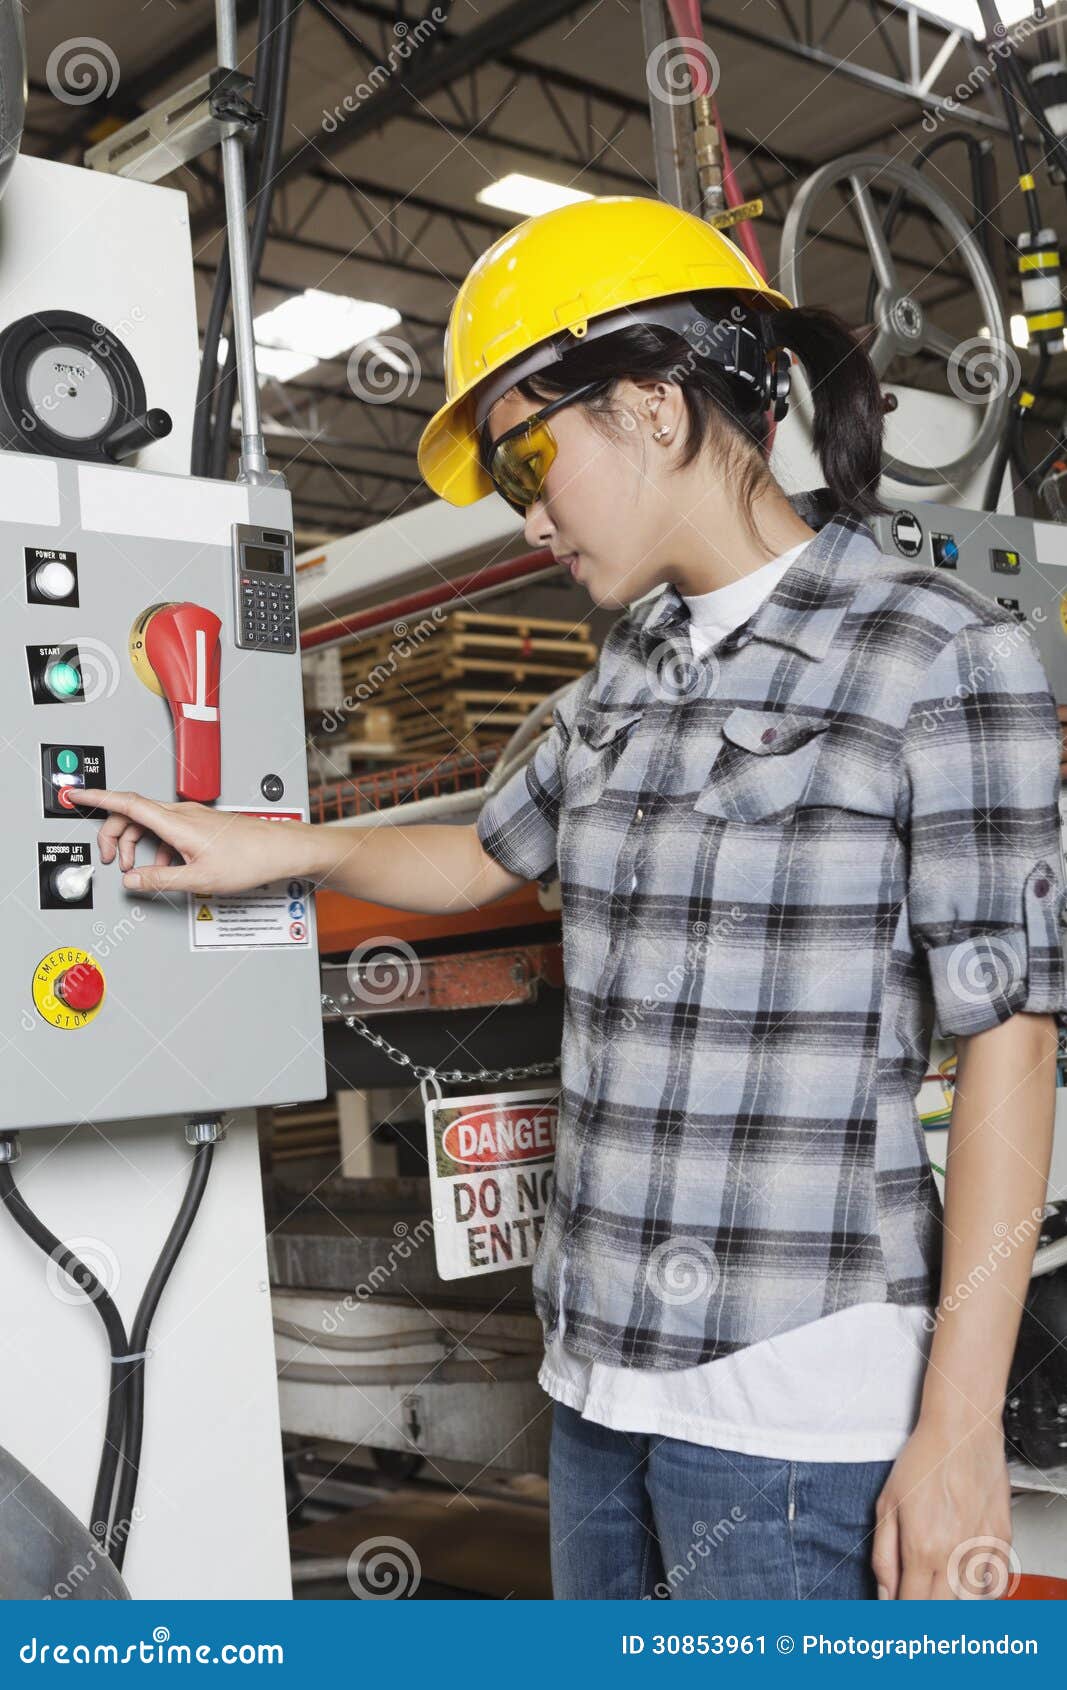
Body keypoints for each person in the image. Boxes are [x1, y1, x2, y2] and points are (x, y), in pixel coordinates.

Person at [70, 195, 1067, 1601]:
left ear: (655, 409)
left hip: (793, 1407)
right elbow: (490, 855)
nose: (527, 518)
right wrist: (275, 846)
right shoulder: (624, 671)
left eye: (531, 460)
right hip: (596, 1384)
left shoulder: (933, 656)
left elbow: (1011, 1040)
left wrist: (960, 1427)